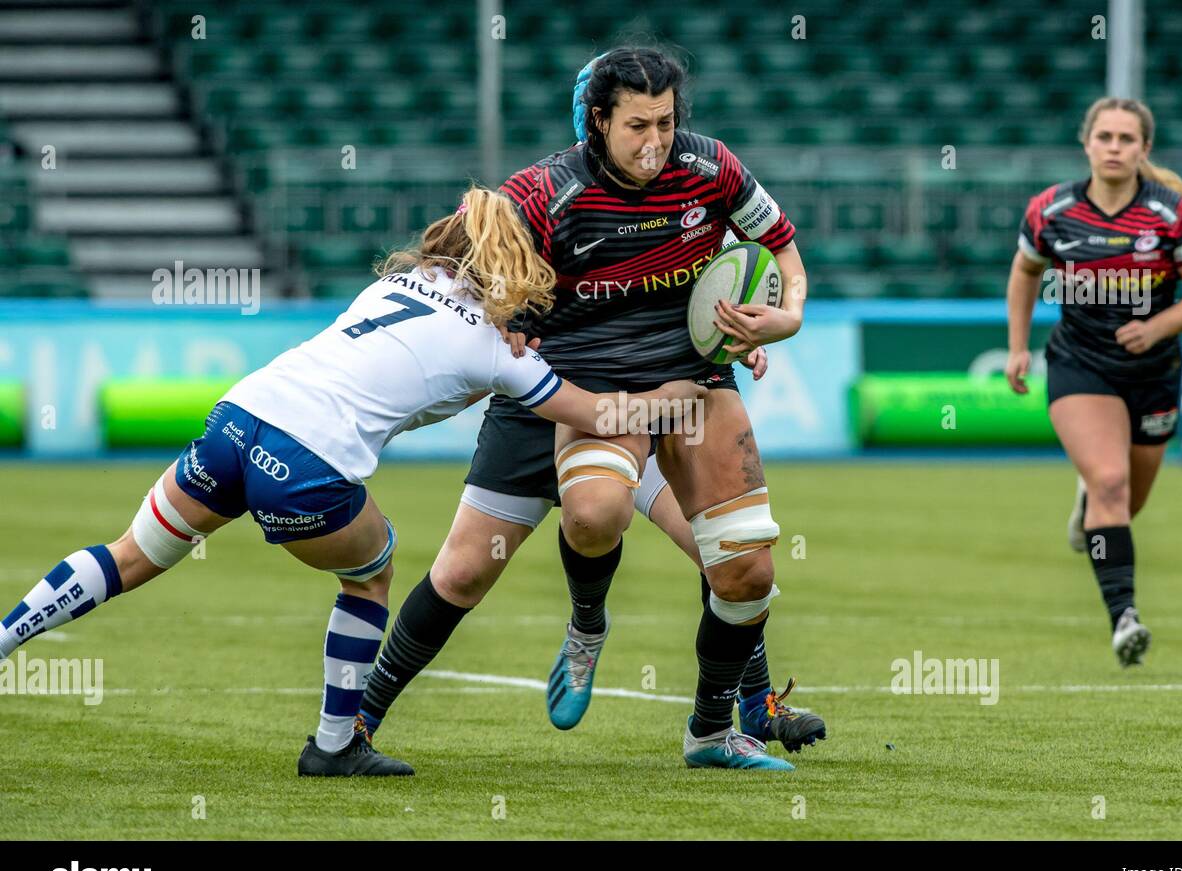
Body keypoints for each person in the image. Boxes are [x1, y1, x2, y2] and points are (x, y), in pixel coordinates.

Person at [0, 187, 702, 776]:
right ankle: (335, 744)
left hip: (239, 418)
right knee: (374, 568)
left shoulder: (397, 283)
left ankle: (5, 638)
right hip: (307, 463)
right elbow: (598, 413)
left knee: (129, 553)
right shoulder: (499, 350)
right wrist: (675, 395)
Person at [360, 47, 826, 770]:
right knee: (465, 571)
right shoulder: (543, 193)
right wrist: (491, 317)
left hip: (676, 392)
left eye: (667, 124)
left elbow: (778, 249)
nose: (656, 141)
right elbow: (460, 251)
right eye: (638, 124)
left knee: (737, 562)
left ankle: (735, 716)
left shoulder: (710, 170)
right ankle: (363, 722)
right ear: (596, 122)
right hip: (561, 395)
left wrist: (776, 319)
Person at [1004, 97, 1182, 666]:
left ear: (1144, 148)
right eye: (1105, 137)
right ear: (1087, 144)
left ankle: (1091, 502)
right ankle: (1124, 617)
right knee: (1109, 484)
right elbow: (1025, 272)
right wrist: (1018, 347)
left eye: (1127, 139)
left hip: (1154, 374)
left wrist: (1157, 328)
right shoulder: (1051, 210)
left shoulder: (1172, 215)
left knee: (1127, 500)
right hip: (1081, 364)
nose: (1115, 148)